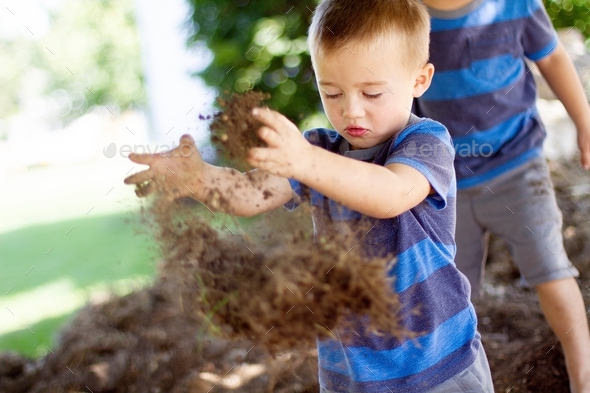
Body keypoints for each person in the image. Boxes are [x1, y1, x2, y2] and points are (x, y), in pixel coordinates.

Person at [125, 0, 493, 391]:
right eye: (331, 92)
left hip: (437, 366)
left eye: (372, 94)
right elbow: (251, 195)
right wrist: (198, 179)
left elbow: (390, 194)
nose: (352, 111)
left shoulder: (425, 142)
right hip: (351, 372)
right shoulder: (319, 151)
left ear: (419, 80)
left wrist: (306, 163)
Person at [415, 0, 590, 392]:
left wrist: (584, 121)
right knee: (451, 291)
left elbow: (554, 59)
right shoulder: (407, 12)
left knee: (550, 268)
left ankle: (584, 376)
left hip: (518, 166)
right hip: (444, 181)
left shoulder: (515, 5)